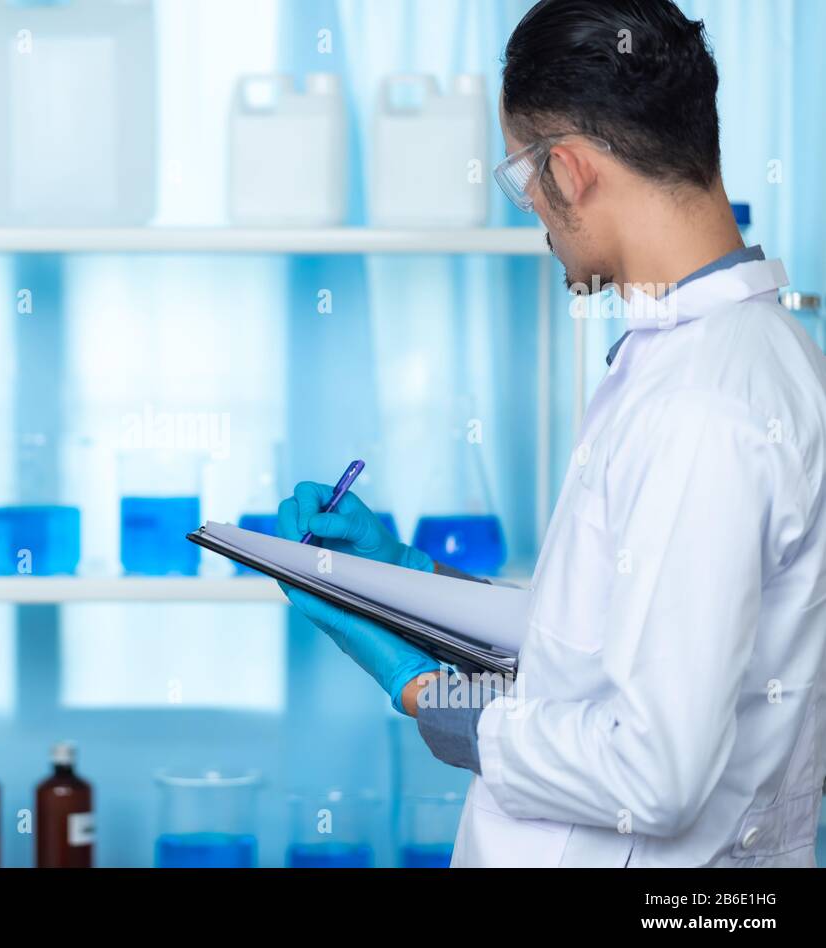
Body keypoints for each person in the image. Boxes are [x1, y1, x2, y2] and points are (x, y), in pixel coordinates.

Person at [279, 0, 826, 867]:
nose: (533, 210)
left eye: (523, 179)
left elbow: (656, 769)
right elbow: (615, 644)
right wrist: (413, 582)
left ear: (566, 170)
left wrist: (428, 693)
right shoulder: (713, 359)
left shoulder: (704, 406)